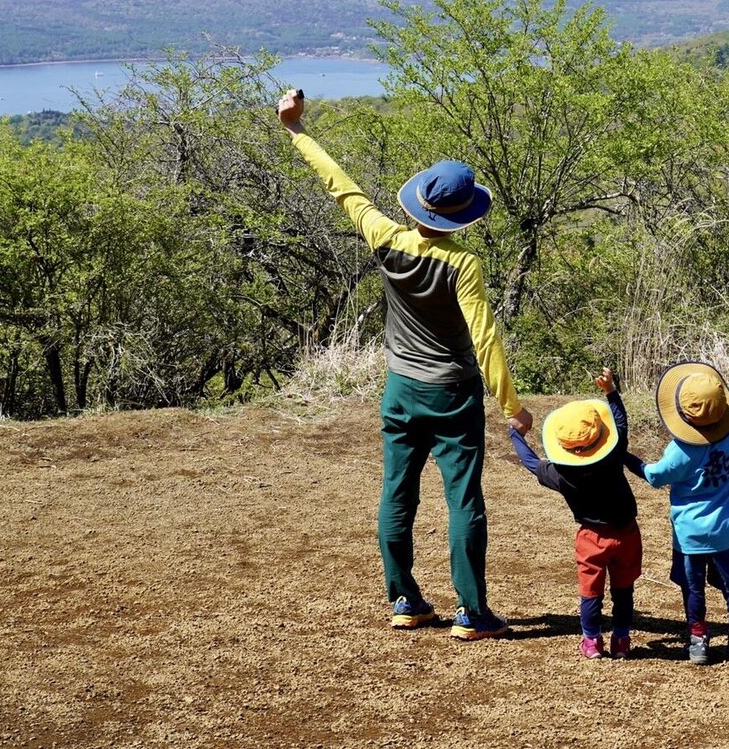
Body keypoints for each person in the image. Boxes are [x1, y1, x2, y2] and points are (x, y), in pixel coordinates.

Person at [275, 87, 532, 641]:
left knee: (397, 490)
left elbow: (341, 186)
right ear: (464, 216)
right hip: (453, 393)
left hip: (399, 388)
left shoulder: (386, 238)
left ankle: (404, 599)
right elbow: (484, 338)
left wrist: (296, 130)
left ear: (419, 203)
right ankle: (472, 612)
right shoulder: (462, 263)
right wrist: (512, 406)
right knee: (462, 497)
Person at [642, 339, 729, 665]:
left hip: (690, 536)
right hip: (728, 530)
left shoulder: (681, 450)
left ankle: (699, 641)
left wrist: (629, 459)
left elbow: (655, 477)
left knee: (693, 587)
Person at [507, 366, 645, 659]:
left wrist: (515, 435)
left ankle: (592, 642)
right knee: (623, 590)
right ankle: (621, 639)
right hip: (626, 533)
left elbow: (532, 463)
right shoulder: (614, 454)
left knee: (590, 592)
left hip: (590, 539)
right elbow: (621, 422)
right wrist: (610, 392)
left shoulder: (561, 474)